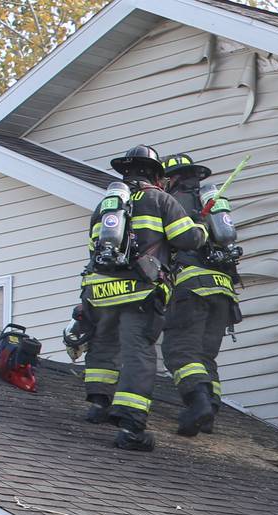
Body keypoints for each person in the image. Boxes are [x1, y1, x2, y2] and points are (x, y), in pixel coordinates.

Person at [81, 144, 207, 451]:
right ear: (156, 176)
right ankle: (131, 426)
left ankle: (98, 404)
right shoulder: (159, 199)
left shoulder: (105, 206)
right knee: (138, 351)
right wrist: (202, 228)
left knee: (104, 344)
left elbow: (93, 251)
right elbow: (186, 239)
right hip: (140, 289)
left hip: (100, 290)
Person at [160, 152, 241, 435]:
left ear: (171, 178)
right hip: (223, 292)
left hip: (191, 287)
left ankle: (198, 405)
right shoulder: (212, 203)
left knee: (180, 351)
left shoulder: (171, 203)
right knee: (205, 355)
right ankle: (209, 409)